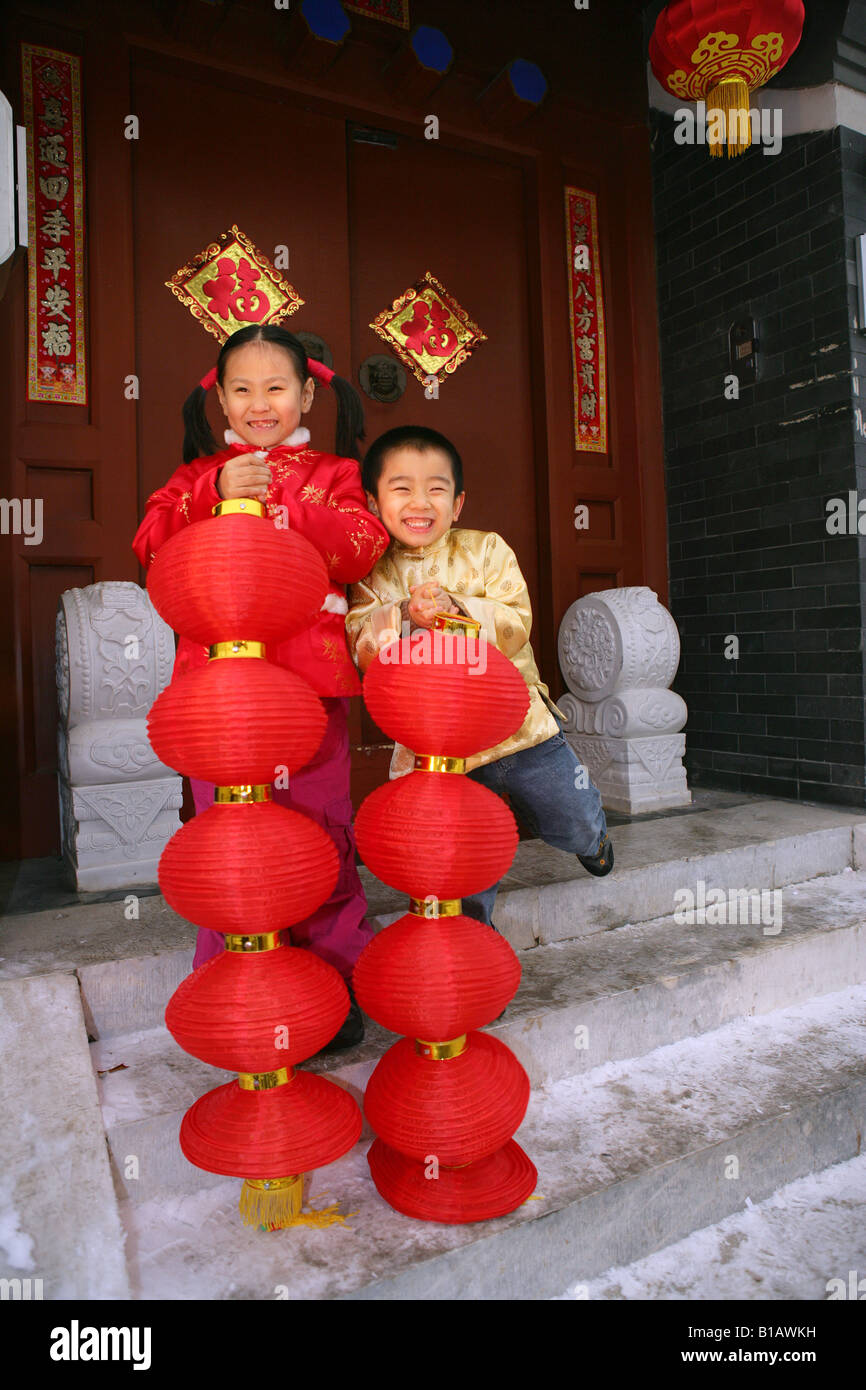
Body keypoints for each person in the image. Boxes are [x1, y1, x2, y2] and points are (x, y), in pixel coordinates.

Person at [132, 324, 390, 1049]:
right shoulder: (196, 478)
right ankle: (238, 985)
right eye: (241, 389)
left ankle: (338, 981)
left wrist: (282, 496)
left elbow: (361, 544)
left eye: (275, 387)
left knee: (320, 835)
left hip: (306, 698)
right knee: (230, 842)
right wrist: (215, 490)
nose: (259, 403)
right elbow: (150, 543)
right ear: (219, 402)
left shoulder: (335, 476)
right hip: (220, 704)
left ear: (307, 393)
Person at [345, 423, 613, 931]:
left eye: (436, 488)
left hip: (521, 729)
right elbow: (362, 643)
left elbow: (515, 622)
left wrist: (457, 608)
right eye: (401, 488)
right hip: (436, 749)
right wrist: (403, 613)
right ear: (373, 500)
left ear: (459, 502)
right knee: (460, 848)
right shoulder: (371, 573)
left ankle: (592, 835)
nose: (420, 502)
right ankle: (468, 934)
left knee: (569, 812)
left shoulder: (487, 549)